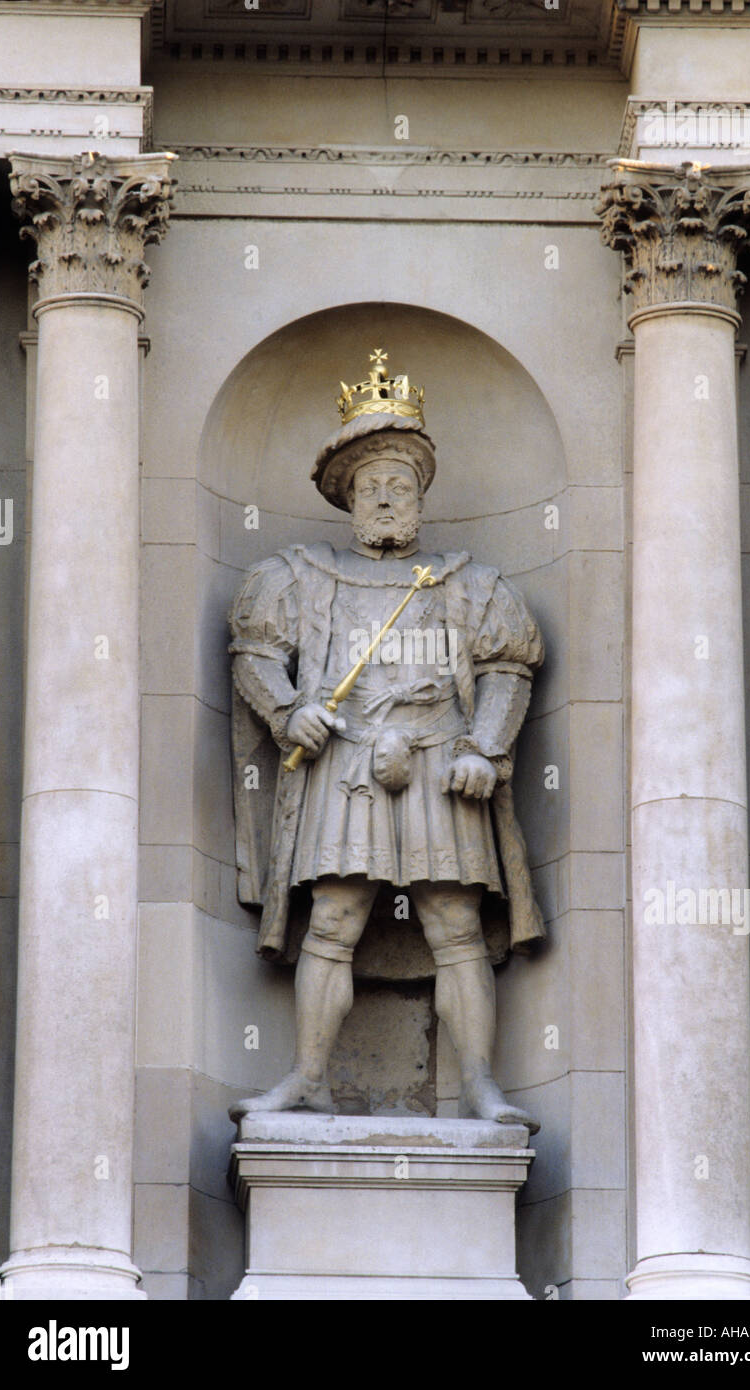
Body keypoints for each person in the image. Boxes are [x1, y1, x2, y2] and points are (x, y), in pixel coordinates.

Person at [228, 351, 545, 1132]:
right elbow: (255, 655)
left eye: (399, 484)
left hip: (442, 761)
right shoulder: (300, 575)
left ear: (420, 494)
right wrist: (285, 712)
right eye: (370, 485)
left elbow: (507, 662)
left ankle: (478, 1085)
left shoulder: (468, 582)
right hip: (344, 764)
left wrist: (485, 747)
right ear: (347, 498)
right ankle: (307, 1077)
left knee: (454, 925)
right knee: (333, 919)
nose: (385, 496)